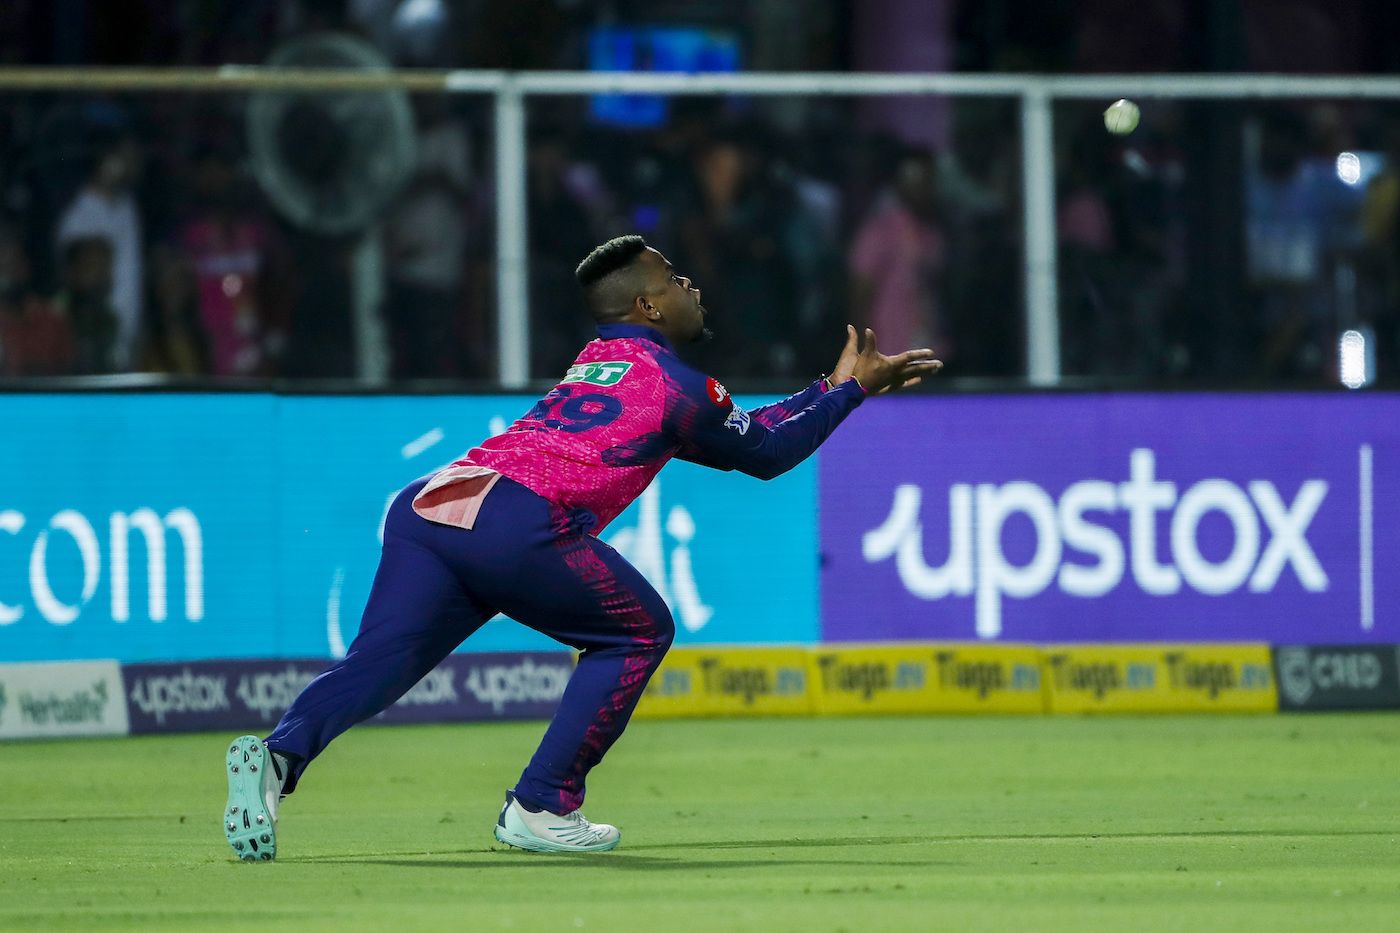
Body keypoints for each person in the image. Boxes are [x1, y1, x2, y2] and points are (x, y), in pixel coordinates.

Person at [221, 235, 940, 861]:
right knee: (639, 630)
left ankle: (277, 757)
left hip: (434, 502)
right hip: (514, 519)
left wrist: (832, 384)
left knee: (379, 665)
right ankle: (542, 804)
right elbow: (769, 451)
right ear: (649, 309)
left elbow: (745, 427)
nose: (689, 285)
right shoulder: (674, 385)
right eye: (673, 278)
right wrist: (850, 396)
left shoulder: (601, 360)